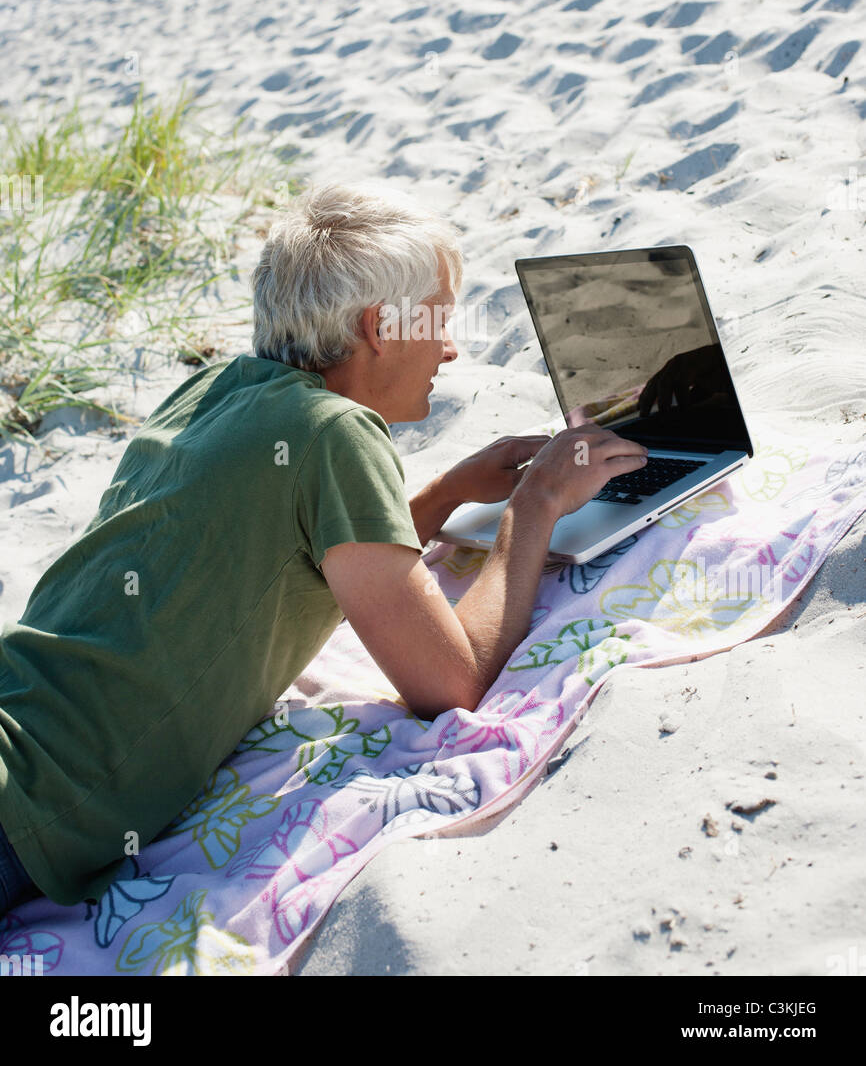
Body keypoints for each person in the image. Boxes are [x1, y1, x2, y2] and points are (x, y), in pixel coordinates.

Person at [0, 182, 646, 916]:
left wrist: (443, 497)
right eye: (437, 319)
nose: (451, 346)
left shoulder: (216, 390)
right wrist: (534, 508)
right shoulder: (335, 431)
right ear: (379, 325)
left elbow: (285, 554)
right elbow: (453, 684)